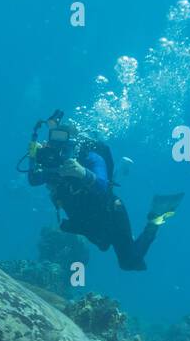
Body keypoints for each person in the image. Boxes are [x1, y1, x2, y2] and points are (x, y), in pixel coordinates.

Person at [22, 110, 181, 271]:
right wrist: (33, 158)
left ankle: (155, 219)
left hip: (110, 213)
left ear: (73, 142)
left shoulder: (90, 157)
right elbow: (33, 180)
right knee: (104, 244)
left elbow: (103, 186)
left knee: (129, 261)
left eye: (63, 139)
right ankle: (126, 236)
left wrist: (82, 172)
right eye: (54, 138)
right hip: (83, 221)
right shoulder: (50, 159)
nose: (58, 146)